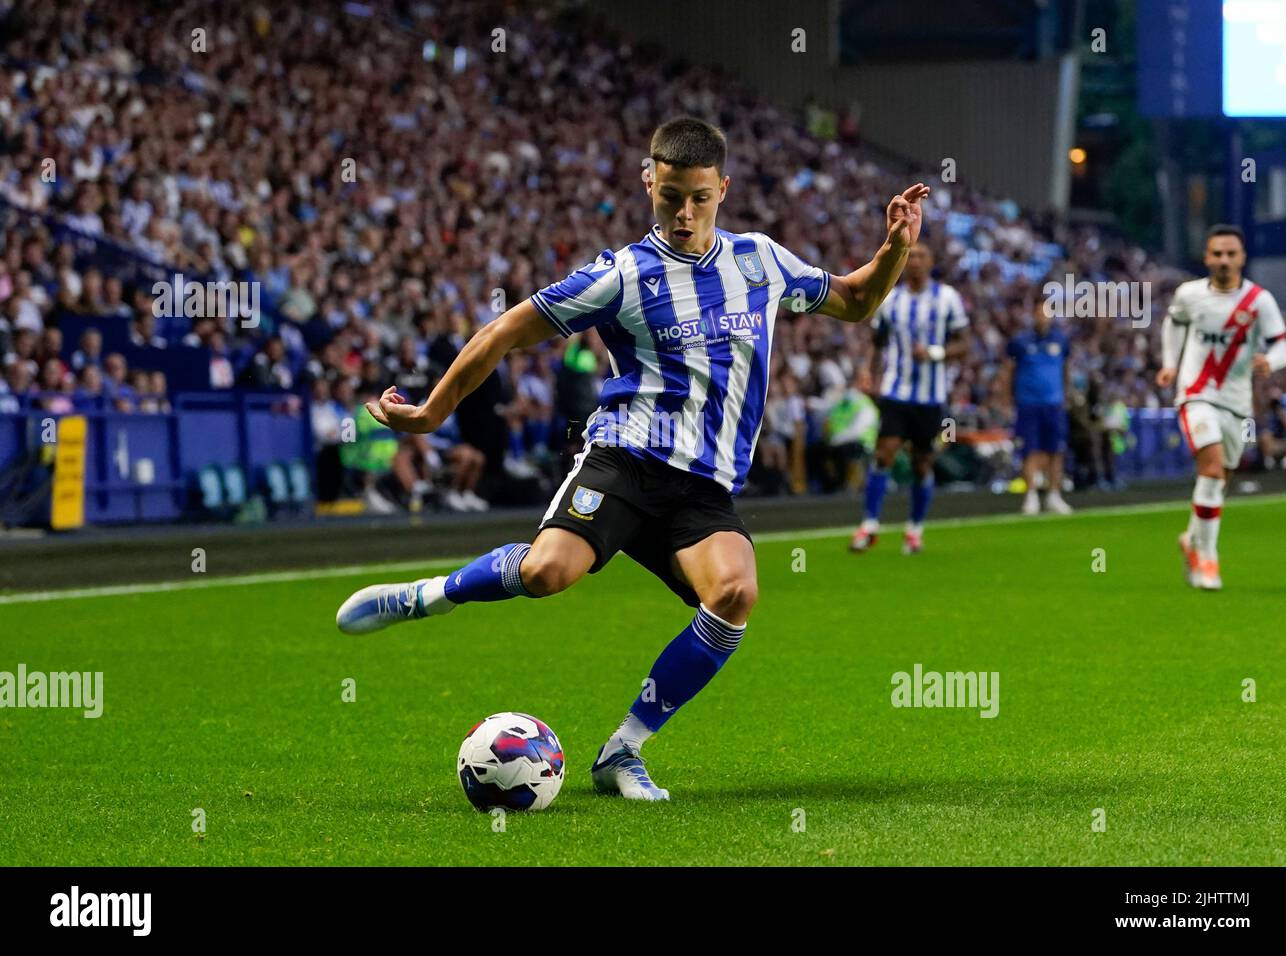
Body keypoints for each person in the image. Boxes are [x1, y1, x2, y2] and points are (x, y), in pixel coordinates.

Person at [335, 116, 928, 800]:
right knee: (547, 572)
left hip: (702, 490)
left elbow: (854, 300)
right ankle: (426, 598)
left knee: (735, 593)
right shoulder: (619, 276)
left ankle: (624, 751)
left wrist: (892, 249)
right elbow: (504, 330)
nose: (683, 213)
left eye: (699, 198)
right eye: (670, 195)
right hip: (625, 461)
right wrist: (435, 410)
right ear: (649, 181)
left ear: (723, 190)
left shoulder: (759, 262)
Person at [1158, 224, 1286, 590]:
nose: (1224, 260)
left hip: (1235, 403)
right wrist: (1170, 363)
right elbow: (1174, 325)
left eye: (1231, 254)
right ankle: (1208, 561)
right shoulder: (1189, 294)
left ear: (1242, 258)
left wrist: (1271, 362)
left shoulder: (1258, 301)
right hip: (1195, 394)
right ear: (1206, 257)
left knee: (1220, 477)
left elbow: (1281, 345)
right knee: (1213, 470)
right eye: (1217, 253)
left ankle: (1191, 539)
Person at [850, 242, 968, 553]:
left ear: (931, 263)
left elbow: (964, 343)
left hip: (930, 396)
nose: (915, 261)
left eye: (921, 256)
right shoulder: (892, 299)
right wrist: (867, 371)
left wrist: (934, 352)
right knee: (883, 454)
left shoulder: (947, 299)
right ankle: (870, 524)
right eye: (911, 256)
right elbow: (877, 341)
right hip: (895, 392)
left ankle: (914, 529)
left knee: (922, 465)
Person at [1004, 297, 1072, 515]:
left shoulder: (1061, 340)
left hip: (1053, 403)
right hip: (1028, 403)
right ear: (1032, 314)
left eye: (1046, 312)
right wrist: (1007, 398)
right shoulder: (1020, 342)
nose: (1043, 316)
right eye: (1039, 312)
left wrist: (1066, 395)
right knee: (1029, 449)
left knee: (1056, 449)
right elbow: (1009, 371)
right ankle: (1031, 495)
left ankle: (1054, 494)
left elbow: (1066, 369)